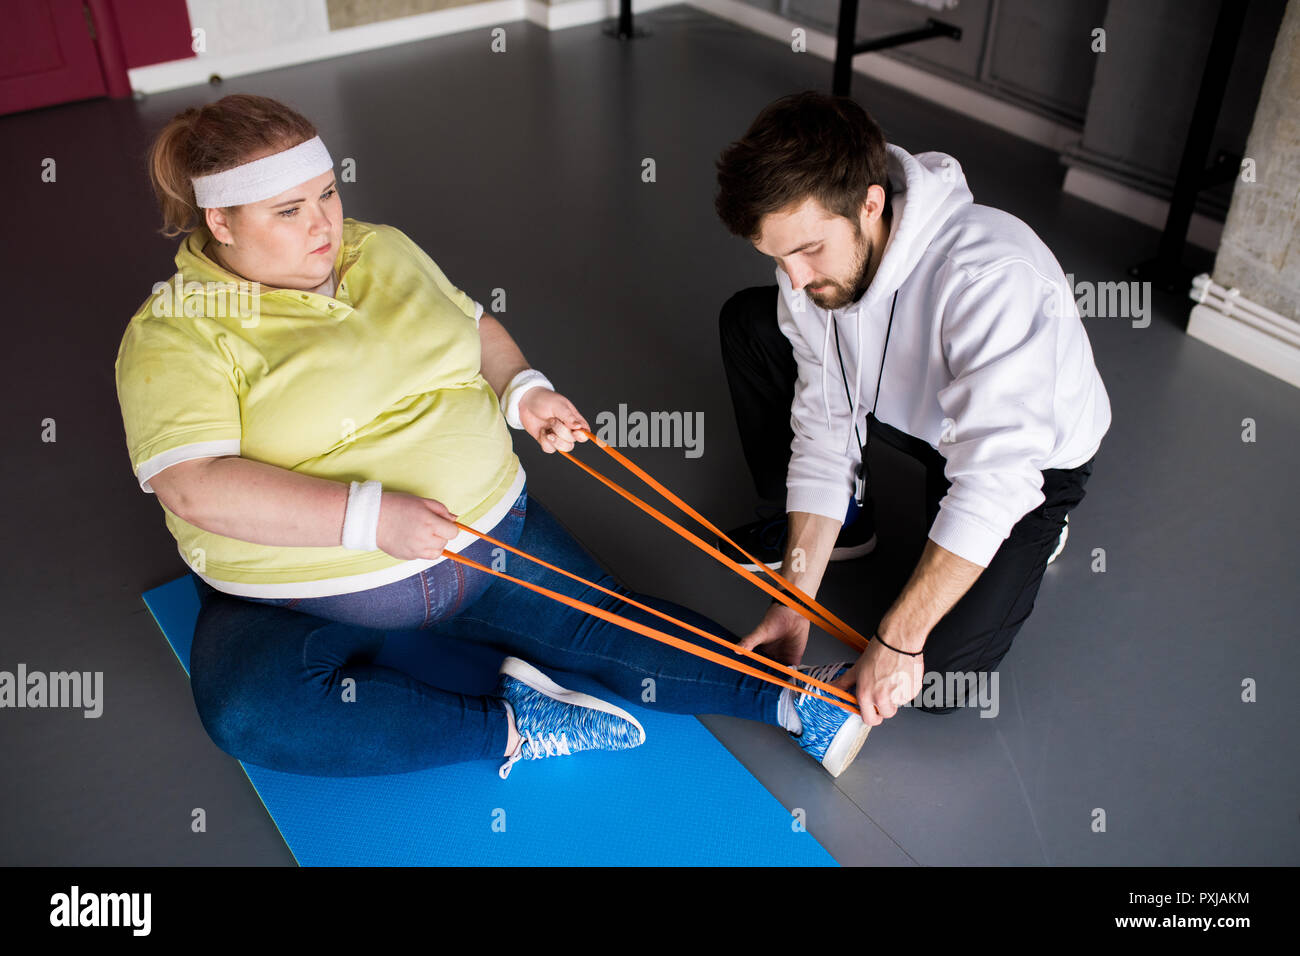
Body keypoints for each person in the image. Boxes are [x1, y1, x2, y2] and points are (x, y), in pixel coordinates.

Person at [115, 93, 870, 780]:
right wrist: (369, 517)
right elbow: (194, 482)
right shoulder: (176, 330)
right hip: (300, 595)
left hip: (488, 536)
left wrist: (524, 389)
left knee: (607, 620)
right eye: (288, 211)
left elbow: (473, 325)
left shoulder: (380, 248)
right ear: (220, 223)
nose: (324, 224)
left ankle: (799, 699)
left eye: (327, 194)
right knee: (250, 711)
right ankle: (512, 725)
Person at [712, 91, 1112, 724]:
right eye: (776, 257)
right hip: (909, 416)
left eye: (809, 250)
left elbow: (993, 477)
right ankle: (852, 522)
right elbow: (822, 430)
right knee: (750, 320)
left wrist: (897, 638)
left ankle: (1040, 530)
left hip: (1024, 460)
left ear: (871, 203)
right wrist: (795, 600)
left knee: (938, 678)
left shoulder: (989, 275)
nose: (791, 279)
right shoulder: (809, 278)